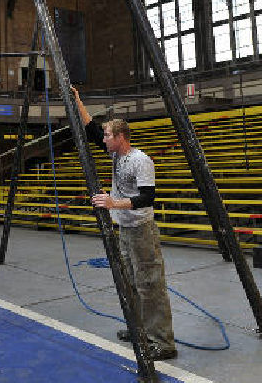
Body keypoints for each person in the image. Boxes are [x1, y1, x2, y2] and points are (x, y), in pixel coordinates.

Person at [71, 86, 177, 361]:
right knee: (130, 281)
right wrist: (79, 101)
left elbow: (147, 197)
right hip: (126, 229)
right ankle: (139, 328)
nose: (104, 139)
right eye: (105, 135)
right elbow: (91, 130)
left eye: (108, 136)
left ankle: (163, 342)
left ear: (120, 137)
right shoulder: (117, 155)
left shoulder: (141, 161)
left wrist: (113, 203)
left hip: (142, 229)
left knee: (150, 284)